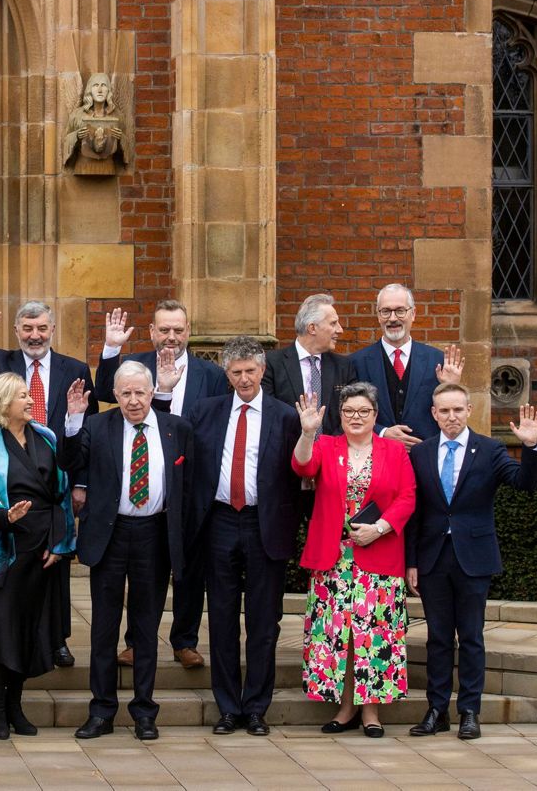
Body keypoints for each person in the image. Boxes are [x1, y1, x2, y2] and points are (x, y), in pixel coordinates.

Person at [0, 294, 94, 667]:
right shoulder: (0, 361)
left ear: (52, 329)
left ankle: (58, 640)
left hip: (56, 478)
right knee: (16, 574)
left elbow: (84, 432)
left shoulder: (76, 368)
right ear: (17, 330)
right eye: (27, 328)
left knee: (56, 566)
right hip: (11, 474)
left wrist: (79, 481)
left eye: (42, 328)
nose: (35, 335)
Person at [63, 361, 193, 742]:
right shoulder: (97, 426)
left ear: (152, 393)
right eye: (125, 393)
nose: (133, 400)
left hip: (153, 534)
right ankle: (101, 711)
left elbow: (190, 486)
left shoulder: (176, 430)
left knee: (145, 628)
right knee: (103, 628)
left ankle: (144, 713)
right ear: (115, 395)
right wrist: (72, 421)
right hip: (110, 533)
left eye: (140, 392)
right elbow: (69, 463)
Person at [96, 301, 227, 670]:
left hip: (192, 484)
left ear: (188, 332)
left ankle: (184, 640)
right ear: (152, 332)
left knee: (187, 566)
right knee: (144, 570)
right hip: (146, 479)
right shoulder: (134, 364)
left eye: (178, 330)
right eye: (164, 330)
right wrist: (110, 349)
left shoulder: (210, 374)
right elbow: (105, 391)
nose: (171, 337)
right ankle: (138, 642)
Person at [406, 386, 537, 740]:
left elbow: (524, 484)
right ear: (434, 413)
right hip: (433, 557)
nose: (451, 417)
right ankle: (437, 710)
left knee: (471, 637)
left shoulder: (491, 449)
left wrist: (529, 447)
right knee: (437, 638)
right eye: (444, 411)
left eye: (457, 410)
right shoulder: (420, 454)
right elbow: (414, 512)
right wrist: (411, 562)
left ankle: (469, 710)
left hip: (474, 558)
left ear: (469, 410)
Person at [184, 338, 301, 736]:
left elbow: (300, 473)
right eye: (236, 372)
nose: (244, 378)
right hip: (218, 523)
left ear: (262, 370)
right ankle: (228, 707)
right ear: (227, 374)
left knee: (264, 621)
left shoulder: (285, 417)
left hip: (264, 524)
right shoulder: (207, 412)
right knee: (221, 617)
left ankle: (256, 707)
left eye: (251, 370)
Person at [292, 382, 415, 738]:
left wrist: (378, 528)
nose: (356, 417)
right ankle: (345, 708)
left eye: (363, 411)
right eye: (349, 412)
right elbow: (302, 467)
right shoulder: (327, 446)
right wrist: (307, 432)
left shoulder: (393, 451)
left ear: (376, 416)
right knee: (339, 635)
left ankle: (371, 712)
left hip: (378, 553)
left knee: (374, 635)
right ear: (340, 416)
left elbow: (407, 497)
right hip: (334, 559)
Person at [0, 373, 76, 740]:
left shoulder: (46, 437)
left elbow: (62, 494)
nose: (30, 401)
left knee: (29, 630)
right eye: (23, 396)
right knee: (1, 631)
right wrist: (3, 517)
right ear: (2, 403)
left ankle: (16, 706)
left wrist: (59, 543)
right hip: (6, 552)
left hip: (42, 550)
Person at [349, 284, 464, 447]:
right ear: (378, 315)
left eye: (400, 310)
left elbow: (453, 417)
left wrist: (451, 386)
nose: (393, 318)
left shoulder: (437, 360)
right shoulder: (356, 362)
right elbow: (346, 415)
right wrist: (382, 432)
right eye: (386, 311)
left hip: (424, 461)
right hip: (376, 459)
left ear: (413, 314)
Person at [263, 293, 356, 437]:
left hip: (332, 453)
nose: (340, 330)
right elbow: (268, 413)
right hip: (287, 454)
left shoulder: (344, 366)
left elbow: (351, 413)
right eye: (333, 323)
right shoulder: (272, 363)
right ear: (312, 328)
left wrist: (328, 448)